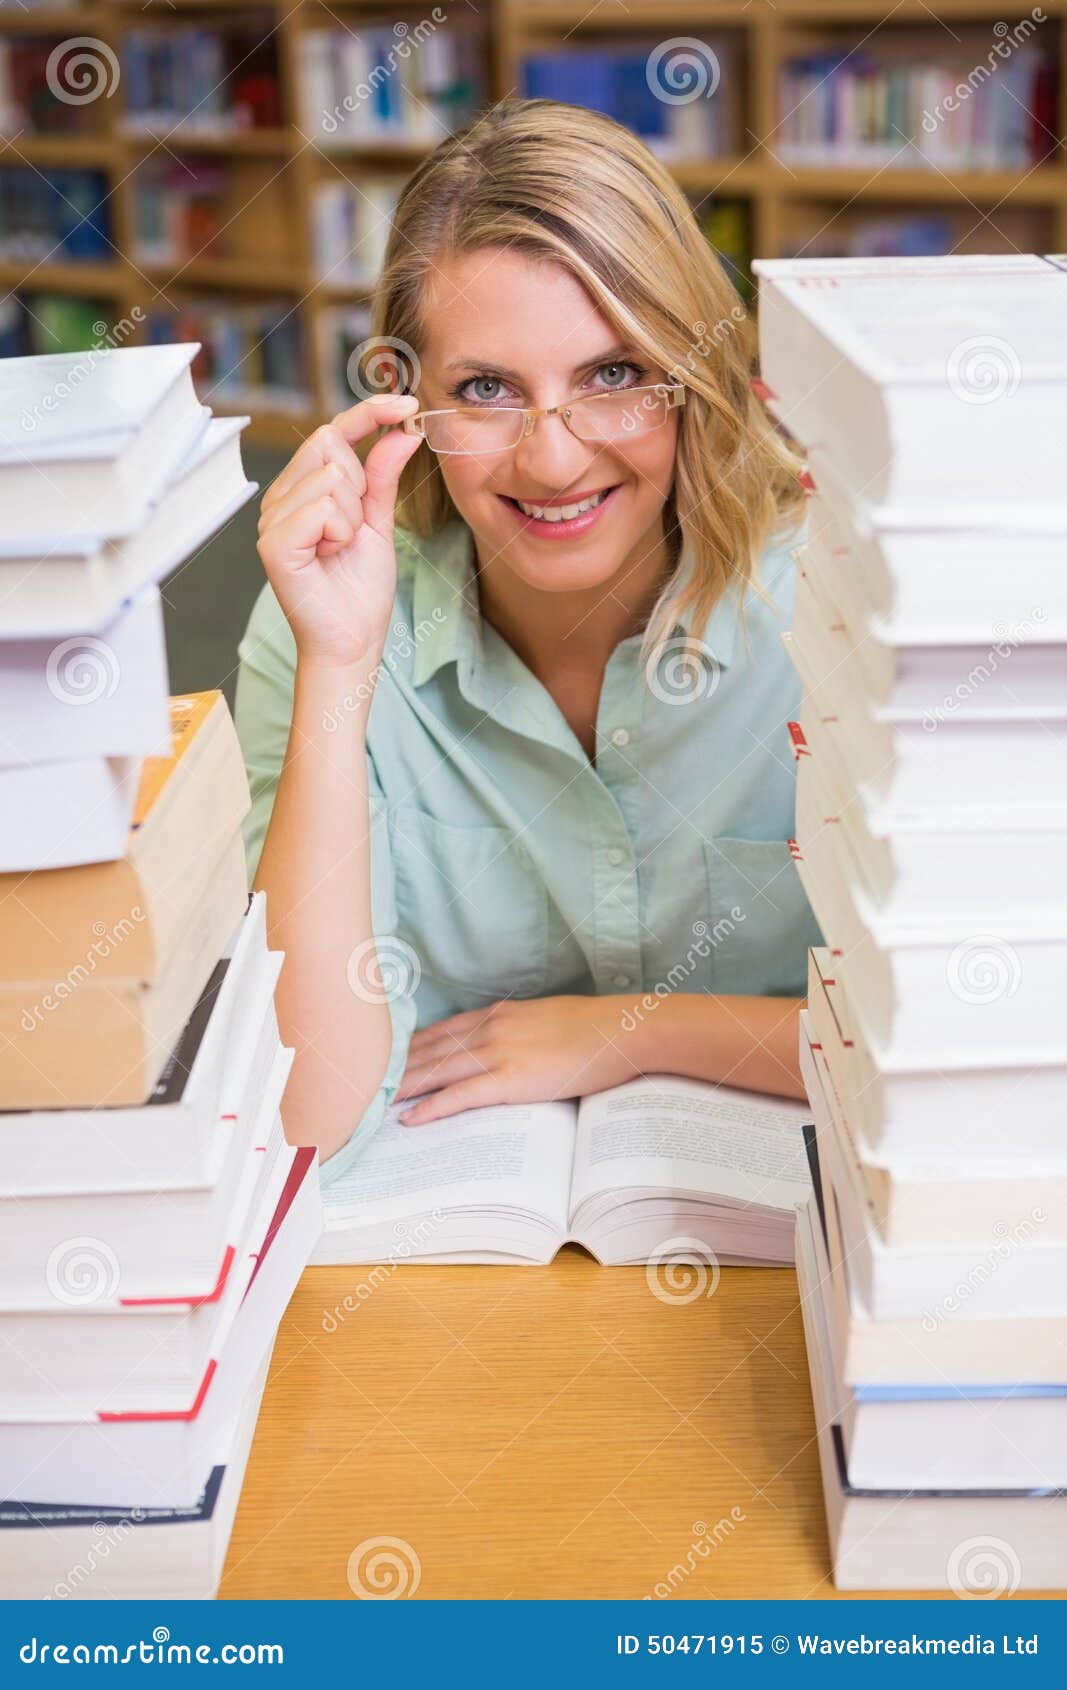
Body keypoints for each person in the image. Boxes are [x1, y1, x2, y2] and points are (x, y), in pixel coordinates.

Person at [234, 98, 822, 1186]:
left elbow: (956, 1043)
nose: (552, 461)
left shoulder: (834, 599)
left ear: (690, 376)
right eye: (486, 390)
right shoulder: (332, 621)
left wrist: (633, 1030)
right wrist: (341, 664)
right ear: (409, 407)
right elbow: (306, 1113)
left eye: (610, 376)